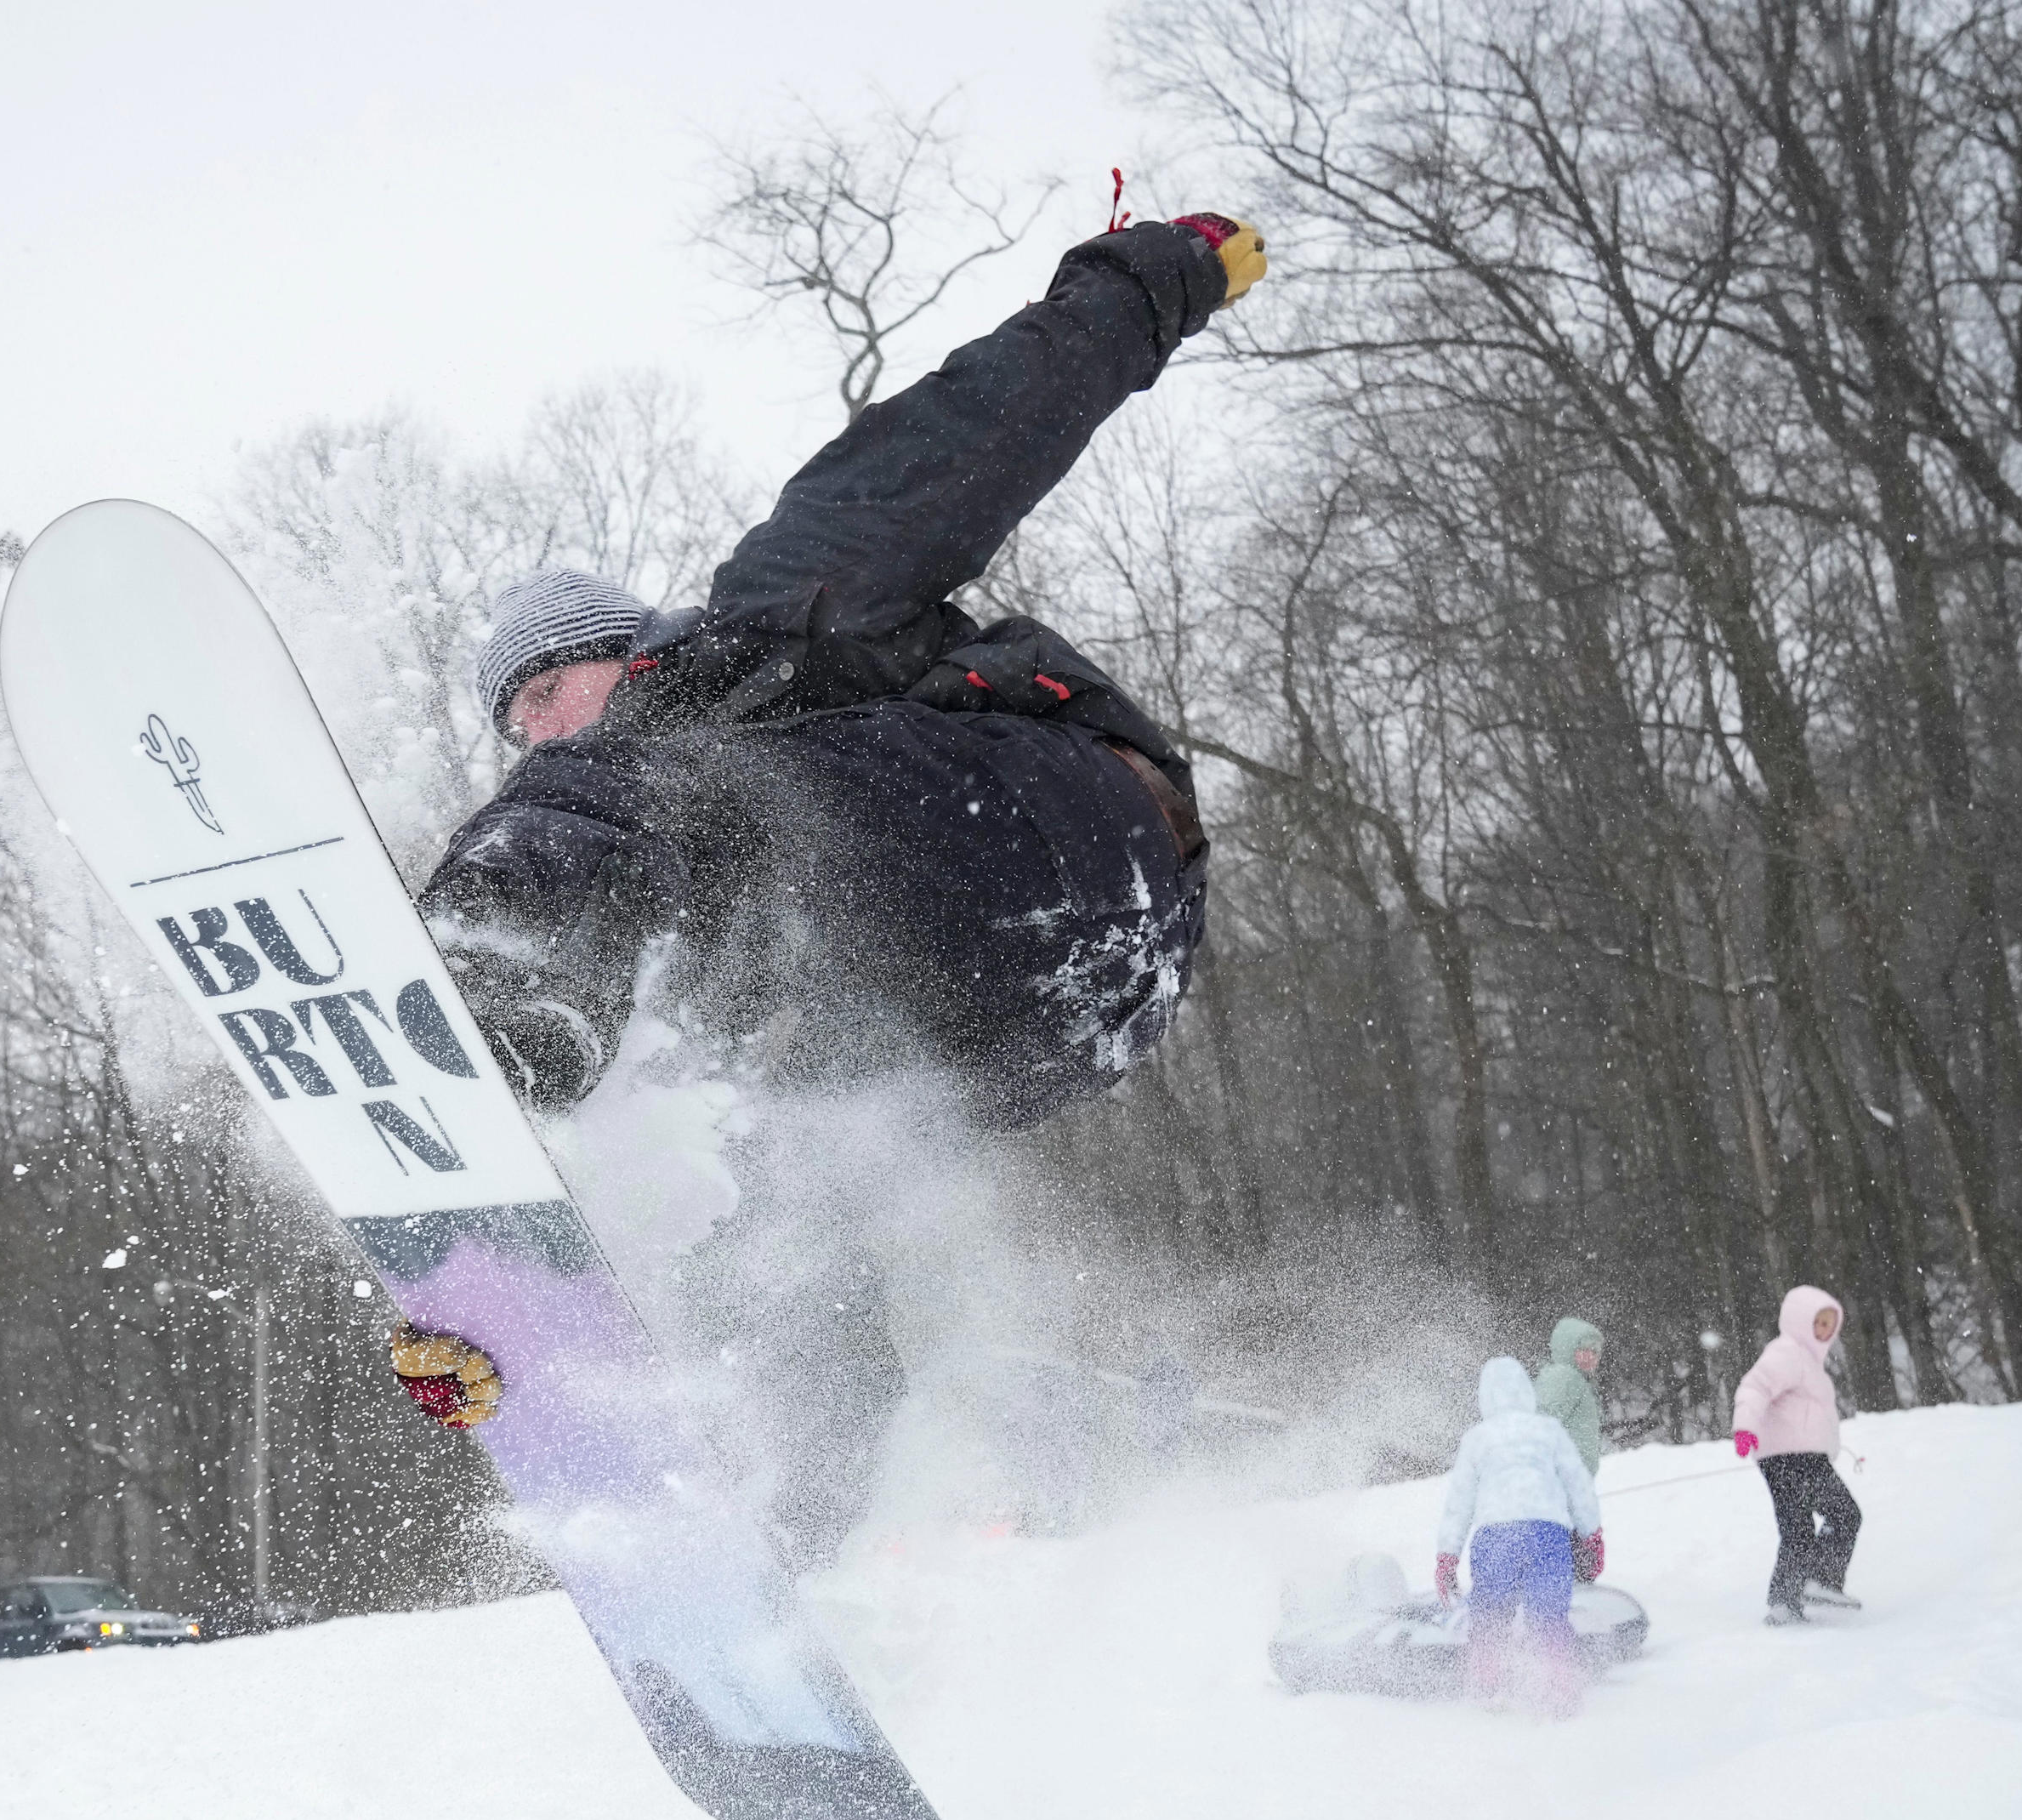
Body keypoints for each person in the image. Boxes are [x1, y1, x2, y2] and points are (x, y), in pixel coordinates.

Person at [411, 211, 1266, 1568]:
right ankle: (801, 1523)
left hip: (1058, 830)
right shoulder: (693, 893)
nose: (537, 734)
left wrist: (1150, 280)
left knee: (646, 805)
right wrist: (497, 1300)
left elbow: (975, 431)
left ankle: (486, 990)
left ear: (624, 649)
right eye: (513, 723)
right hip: (1044, 1017)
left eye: (547, 690)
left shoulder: (771, 614)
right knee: (759, 1177)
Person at [1434, 1356, 1607, 1715]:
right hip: (1548, 1535)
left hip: (1496, 1537)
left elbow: (1459, 1504)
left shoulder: (1477, 1439)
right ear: (1527, 1391)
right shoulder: (1549, 1431)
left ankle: (1488, 1688)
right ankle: (1559, 1690)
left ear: (1485, 1396)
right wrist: (1591, 1535)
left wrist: (1447, 1556)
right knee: (1548, 1616)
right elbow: (1579, 1486)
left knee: (1490, 1616)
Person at [1730, 1285, 1860, 1625]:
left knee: (1798, 1529)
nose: (1825, 1330)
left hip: (1795, 1457)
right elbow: (1755, 1387)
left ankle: (1786, 1601)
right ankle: (1818, 1581)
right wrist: (1745, 1427)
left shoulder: (1810, 1363)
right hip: (1793, 1458)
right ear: (1800, 1321)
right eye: (1818, 1322)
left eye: (1830, 1324)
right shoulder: (1787, 1353)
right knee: (1844, 1514)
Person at [1531, 1317, 1605, 1478]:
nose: (1590, 1356)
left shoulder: (1576, 1380)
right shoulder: (1567, 1378)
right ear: (1568, 1347)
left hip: (1571, 1474)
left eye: (1595, 1352)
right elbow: (1545, 1420)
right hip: (1564, 1474)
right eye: (1584, 1349)